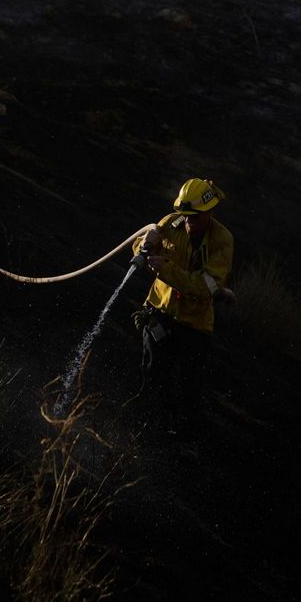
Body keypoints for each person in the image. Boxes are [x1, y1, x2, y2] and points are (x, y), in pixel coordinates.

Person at [132, 178, 235, 438]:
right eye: (185, 215)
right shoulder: (171, 223)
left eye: (195, 217)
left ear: (210, 211)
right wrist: (146, 242)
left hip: (194, 325)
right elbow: (139, 251)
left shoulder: (222, 241)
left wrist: (165, 269)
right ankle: (152, 434)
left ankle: (184, 441)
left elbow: (205, 287)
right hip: (159, 313)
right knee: (154, 377)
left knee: (189, 389)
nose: (189, 221)